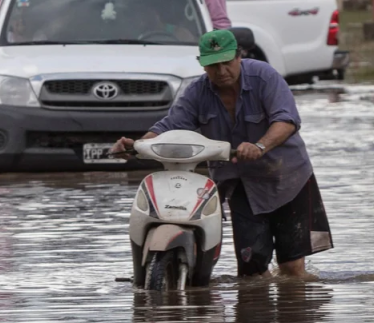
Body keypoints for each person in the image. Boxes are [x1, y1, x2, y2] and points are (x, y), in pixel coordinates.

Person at [110, 30, 333, 278]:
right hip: (241, 184)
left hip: (287, 179)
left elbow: (287, 120)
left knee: (291, 268)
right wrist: (138, 145)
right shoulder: (197, 92)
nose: (221, 71)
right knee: (251, 270)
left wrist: (260, 146)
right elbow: (170, 126)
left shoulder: (264, 77)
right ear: (203, 66)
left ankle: (292, 312)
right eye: (213, 65)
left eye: (226, 62)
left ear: (239, 56)